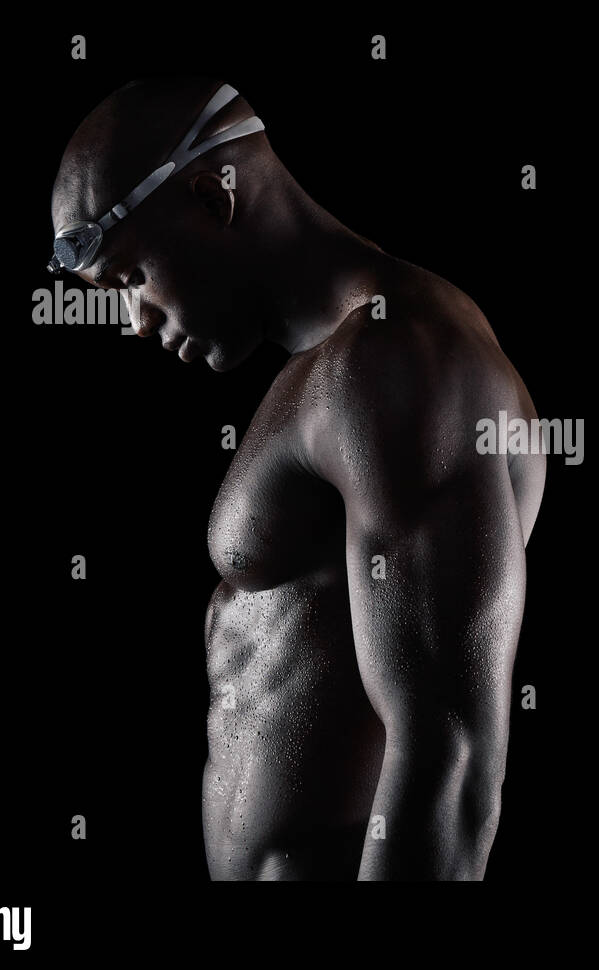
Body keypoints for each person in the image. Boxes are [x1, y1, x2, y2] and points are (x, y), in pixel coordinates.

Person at [48, 77, 545, 879]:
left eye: (131, 278)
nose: (134, 321)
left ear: (215, 199)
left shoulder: (401, 361)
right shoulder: (330, 374)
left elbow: (449, 753)